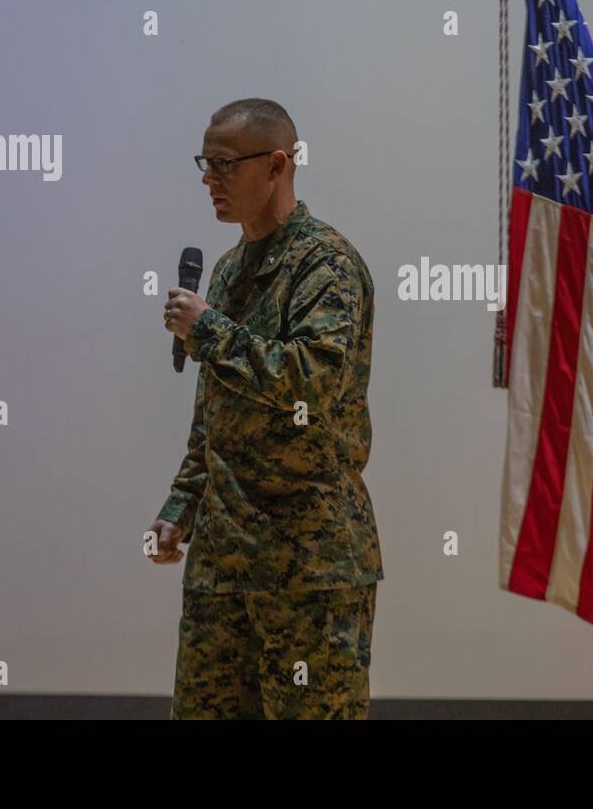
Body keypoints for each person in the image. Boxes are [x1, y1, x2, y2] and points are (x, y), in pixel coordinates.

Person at [146, 97, 382, 719]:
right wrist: (181, 506)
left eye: (224, 164)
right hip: (222, 564)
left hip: (308, 568)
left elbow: (311, 382)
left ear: (277, 165)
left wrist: (209, 332)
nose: (209, 179)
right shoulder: (227, 272)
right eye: (205, 163)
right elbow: (214, 417)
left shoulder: (326, 263)